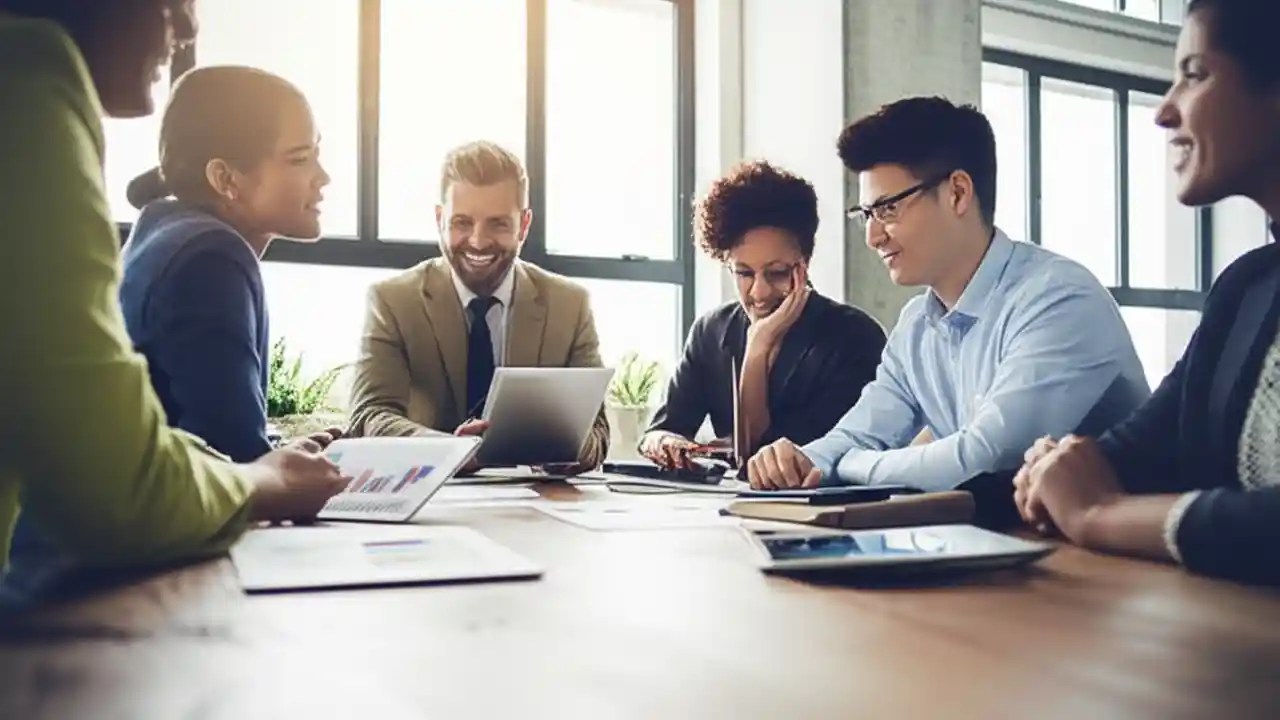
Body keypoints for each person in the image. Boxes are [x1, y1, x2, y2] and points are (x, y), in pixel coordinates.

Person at [0, 0, 347, 600]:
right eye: (174, 1)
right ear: (225, 179)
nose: (187, 27)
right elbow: (119, 487)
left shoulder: (163, 230)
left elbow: (117, 430)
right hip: (70, 585)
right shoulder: (27, 92)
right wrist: (262, 479)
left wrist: (258, 465)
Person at [747, 97, 1151, 518]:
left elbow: (983, 460)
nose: (872, 237)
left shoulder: (1059, 300)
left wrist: (845, 464)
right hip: (1010, 545)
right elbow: (862, 430)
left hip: (1122, 561)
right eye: (865, 213)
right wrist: (800, 460)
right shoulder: (917, 325)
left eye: (888, 209)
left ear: (957, 192)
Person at [1014, 0, 1280, 585]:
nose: (1164, 111)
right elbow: (1136, 454)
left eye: (1194, 74)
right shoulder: (1245, 289)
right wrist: (1058, 469)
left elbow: (1104, 501)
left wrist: (1098, 514)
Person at [120, 65, 339, 463]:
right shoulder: (211, 257)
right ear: (225, 178)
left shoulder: (163, 228)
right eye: (300, 158)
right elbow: (234, 461)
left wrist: (276, 456)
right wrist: (272, 468)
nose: (322, 177)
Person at [347, 141, 609, 472]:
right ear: (439, 219)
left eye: (498, 224)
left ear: (524, 225)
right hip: (430, 502)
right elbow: (368, 416)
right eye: (462, 223)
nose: (478, 241)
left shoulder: (570, 306)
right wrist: (451, 451)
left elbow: (598, 434)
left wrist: (552, 443)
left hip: (533, 505)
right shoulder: (393, 302)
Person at [641, 160, 886, 468]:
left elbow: (765, 457)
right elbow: (663, 426)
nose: (759, 292)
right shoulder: (711, 330)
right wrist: (663, 441)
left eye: (778, 273)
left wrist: (758, 348)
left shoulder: (853, 338)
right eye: (743, 273)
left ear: (804, 262)